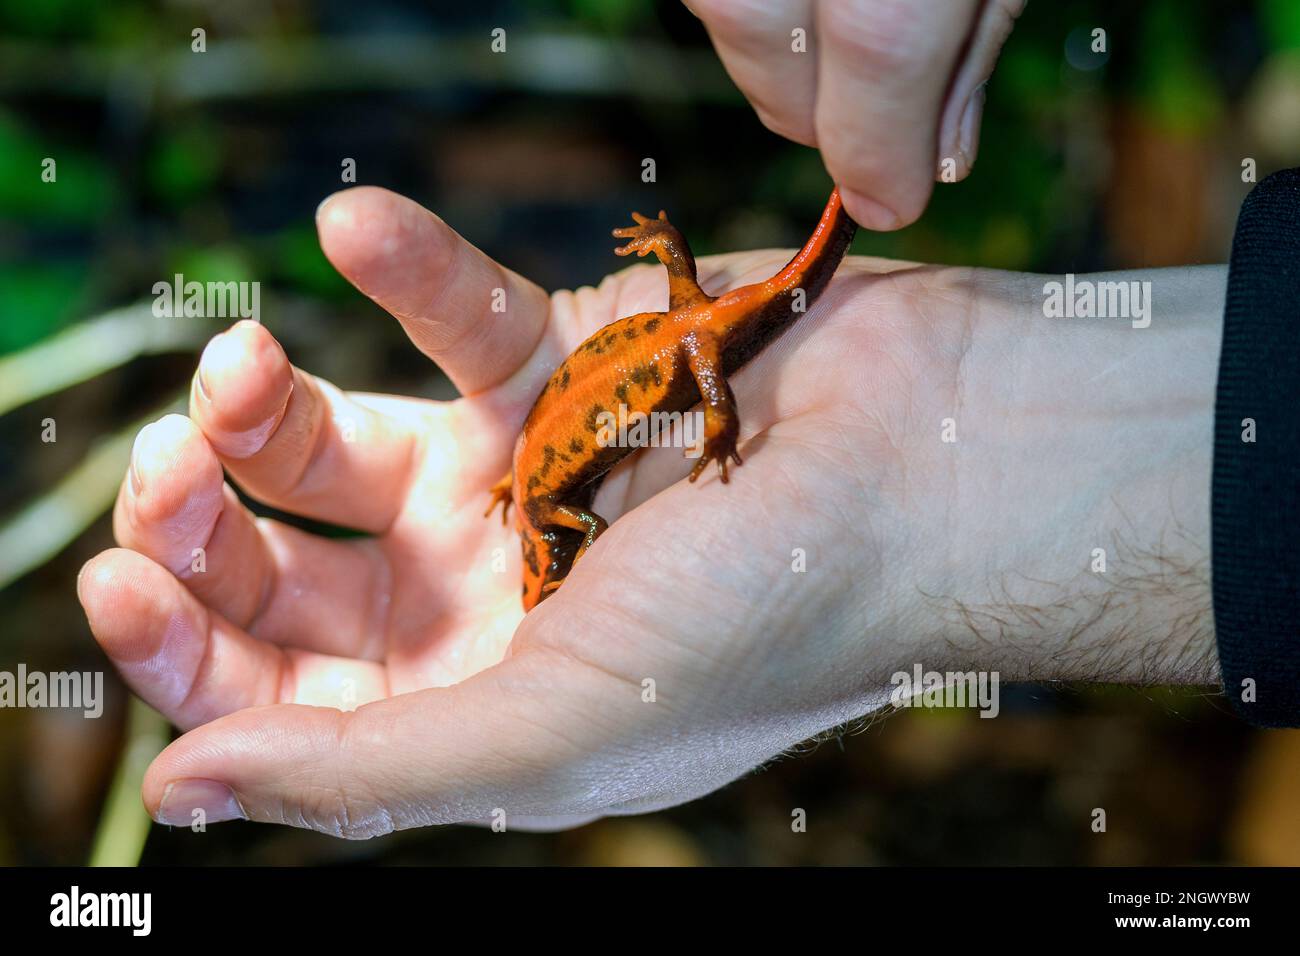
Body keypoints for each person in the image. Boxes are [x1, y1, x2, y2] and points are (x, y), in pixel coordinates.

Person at [76, 4, 1296, 837]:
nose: (552, 565)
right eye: (549, 561)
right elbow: (538, 487)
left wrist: (718, 432)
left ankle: (715, 314)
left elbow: (576, 468)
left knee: (724, 342)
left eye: (548, 564)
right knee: (699, 329)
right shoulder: (531, 497)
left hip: (693, 347)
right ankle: (694, 269)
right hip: (677, 331)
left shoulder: (555, 492)